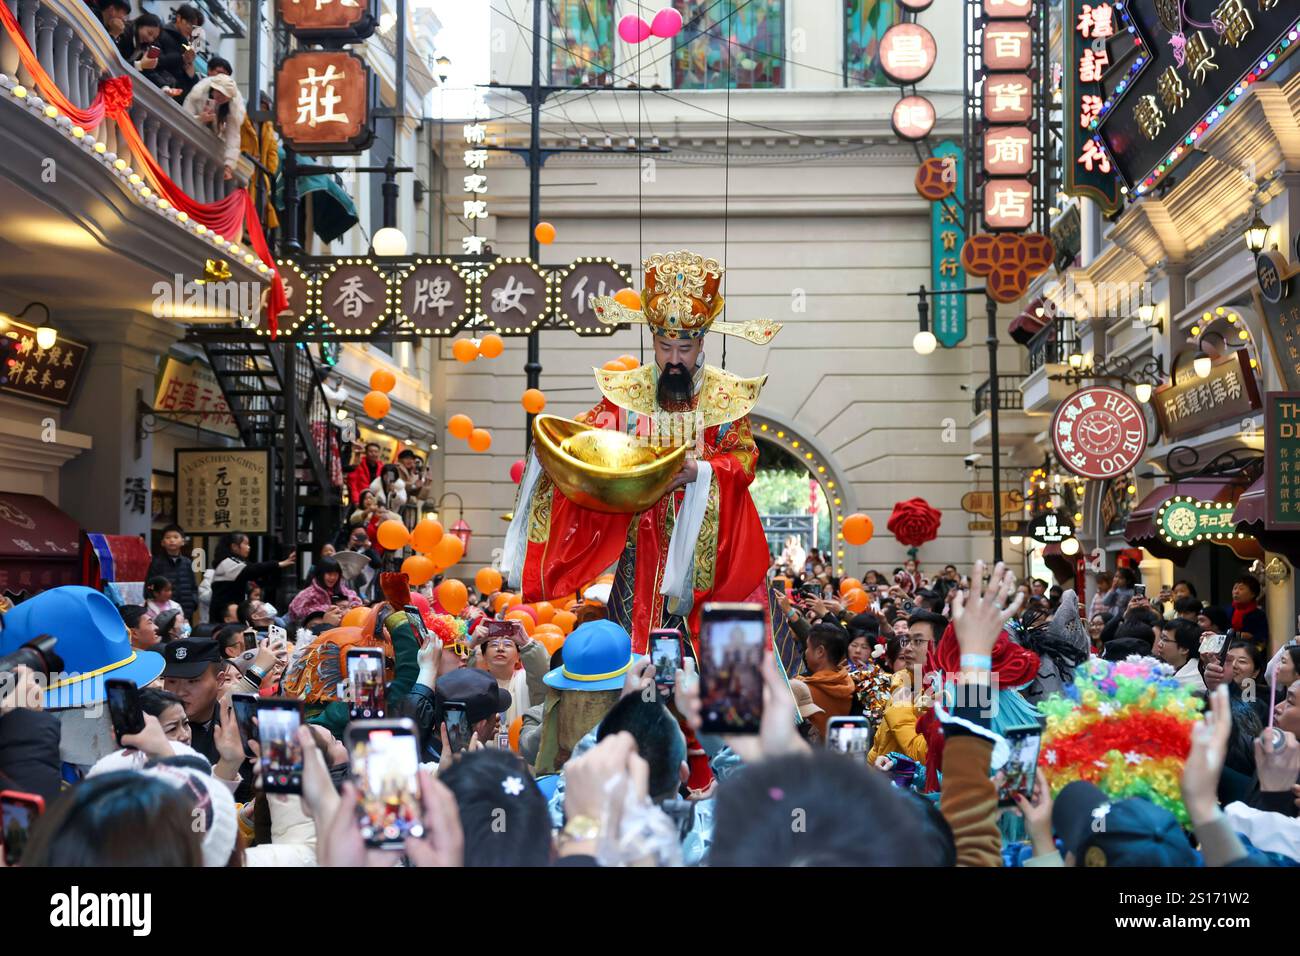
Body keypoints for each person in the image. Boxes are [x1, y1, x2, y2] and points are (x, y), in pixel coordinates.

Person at [502, 250, 778, 653]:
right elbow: (591, 441)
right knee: (631, 646)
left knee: (705, 652)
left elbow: (743, 458)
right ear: (653, 340)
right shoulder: (625, 394)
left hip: (705, 546)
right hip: (639, 542)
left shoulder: (724, 396)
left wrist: (700, 471)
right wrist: (557, 448)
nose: (674, 360)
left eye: (684, 349)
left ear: (701, 342)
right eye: (665, 348)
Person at [210, 532, 295, 616]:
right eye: (246, 544)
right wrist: (279, 564)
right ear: (234, 547)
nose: (249, 547)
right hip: (225, 613)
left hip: (230, 611)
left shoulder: (233, 561)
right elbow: (253, 569)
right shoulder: (227, 563)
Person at [182, 71, 244, 180]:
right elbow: (183, 118)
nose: (221, 97)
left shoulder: (232, 107)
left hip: (209, 147)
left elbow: (233, 136)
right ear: (213, 88)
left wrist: (229, 165)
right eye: (219, 92)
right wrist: (200, 119)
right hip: (190, 142)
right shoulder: (198, 94)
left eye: (225, 96)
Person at [798, 622, 854, 731]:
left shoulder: (805, 690)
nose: (806, 652)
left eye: (808, 647)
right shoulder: (846, 681)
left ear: (820, 652)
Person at [286, 556, 361, 628]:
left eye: (335, 574)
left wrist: (348, 608)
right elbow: (294, 611)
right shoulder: (308, 593)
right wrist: (322, 613)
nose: (333, 577)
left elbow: (357, 602)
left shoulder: (343, 589)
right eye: (329, 574)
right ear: (321, 574)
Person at [146, 524, 198, 624]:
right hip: (162, 613)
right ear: (162, 542)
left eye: (175, 537)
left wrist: (193, 602)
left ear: (183, 541)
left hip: (186, 611)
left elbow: (193, 586)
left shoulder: (187, 562)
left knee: (185, 637)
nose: (172, 540)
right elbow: (149, 587)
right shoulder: (156, 563)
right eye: (168, 537)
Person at [155, 2, 203, 99]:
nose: (191, 30)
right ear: (179, 18)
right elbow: (156, 61)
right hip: (158, 91)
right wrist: (182, 59)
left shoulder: (187, 46)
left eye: (195, 28)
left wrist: (191, 76)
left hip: (175, 99)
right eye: (189, 24)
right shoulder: (161, 33)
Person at [1154, 618, 1205, 692]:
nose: (1159, 644)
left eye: (1165, 639)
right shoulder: (1160, 666)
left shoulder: (1195, 685)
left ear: (1184, 649)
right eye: (1161, 638)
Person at [1224, 575, 1269, 647]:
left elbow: (1262, 637)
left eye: (1241, 589)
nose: (1236, 592)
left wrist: (1251, 637)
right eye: (1235, 588)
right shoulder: (1227, 611)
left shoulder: (1259, 614)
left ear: (1252, 594)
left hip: (1249, 650)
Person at [348, 442, 385, 508]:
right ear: (366, 452)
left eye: (376, 452)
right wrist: (356, 500)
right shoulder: (358, 465)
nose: (373, 454)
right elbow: (353, 484)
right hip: (360, 499)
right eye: (371, 451)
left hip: (374, 502)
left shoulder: (382, 467)